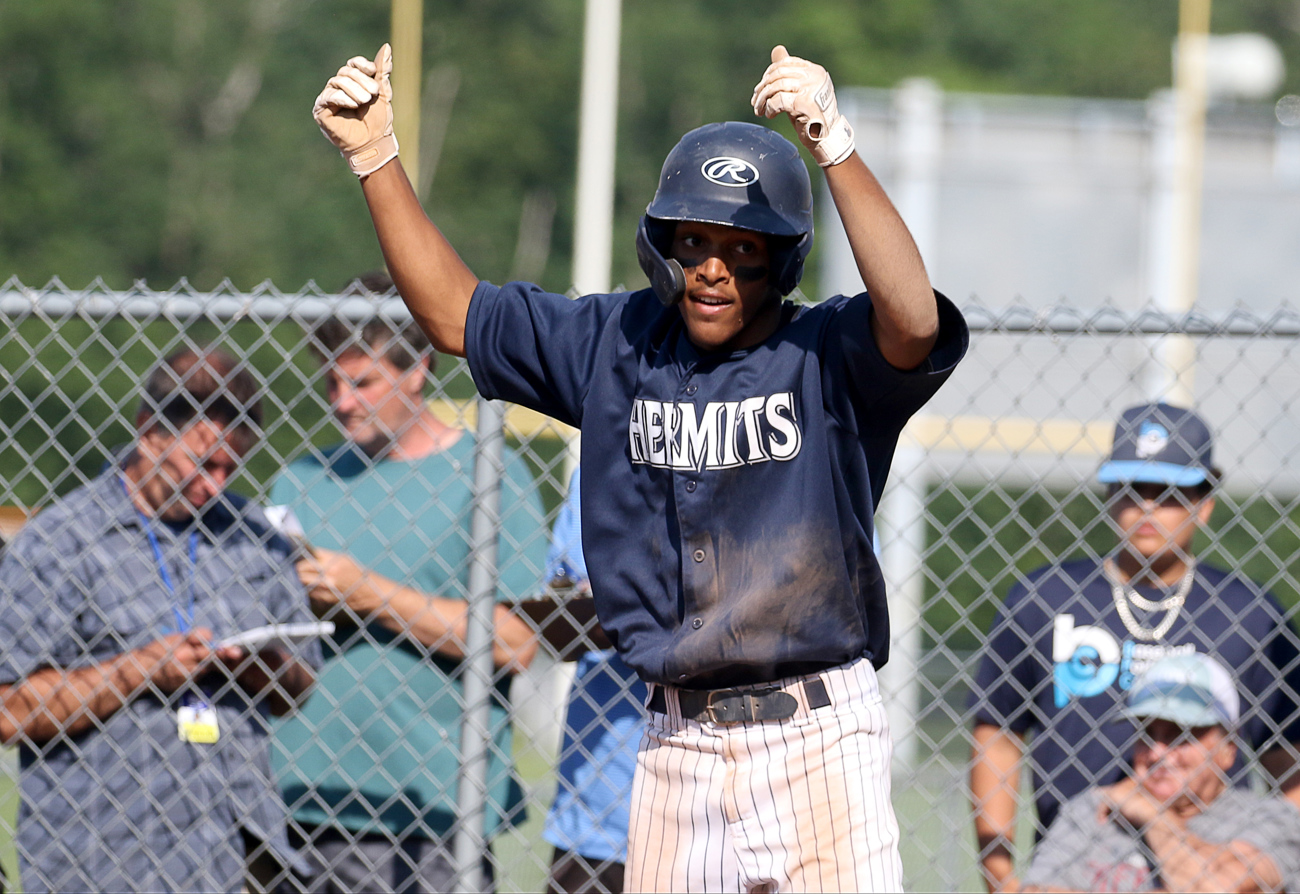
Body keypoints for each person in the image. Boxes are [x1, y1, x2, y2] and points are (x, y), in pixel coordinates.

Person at [312, 41, 968, 891]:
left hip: (815, 738)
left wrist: (832, 146)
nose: (712, 267)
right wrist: (375, 158)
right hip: (673, 740)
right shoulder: (615, 343)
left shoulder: (825, 351)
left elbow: (913, 320)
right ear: (659, 244)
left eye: (742, 248)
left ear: (783, 259)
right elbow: (454, 315)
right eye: (691, 240)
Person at [0, 347, 320, 894]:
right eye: (204, 464)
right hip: (102, 862)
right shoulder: (58, 544)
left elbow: (299, 688)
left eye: (231, 467)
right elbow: (9, 711)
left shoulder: (254, 535)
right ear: (150, 432)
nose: (216, 484)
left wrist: (256, 664)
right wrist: (140, 670)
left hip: (236, 857)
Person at [269, 280, 547, 893]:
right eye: (331, 384)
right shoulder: (301, 479)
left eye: (362, 382)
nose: (342, 402)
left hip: (429, 814)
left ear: (418, 368)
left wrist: (367, 594)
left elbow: (517, 640)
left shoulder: (485, 471)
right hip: (295, 801)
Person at [970, 403, 1300, 892]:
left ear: (1204, 504)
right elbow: (998, 734)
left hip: (1205, 858)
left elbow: (1290, 765)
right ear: (1109, 495)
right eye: (1131, 489)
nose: (1146, 507)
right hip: (1079, 859)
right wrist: (1001, 877)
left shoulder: (1251, 614)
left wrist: (1253, 859)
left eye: (1169, 492)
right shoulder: (1047, 597)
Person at [1021, 652, 1300, 893]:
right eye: (1147, 732)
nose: (1157, 753)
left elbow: (1217, 888)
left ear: (1228, 747)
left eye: (1181, 734)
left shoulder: (1272, 819)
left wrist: (1153, 816)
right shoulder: (1092, 809)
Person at [536, 467, 647, 894]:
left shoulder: (803, 447)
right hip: (601, 802)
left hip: (743, 798)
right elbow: (563, 605)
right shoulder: (607, 455)